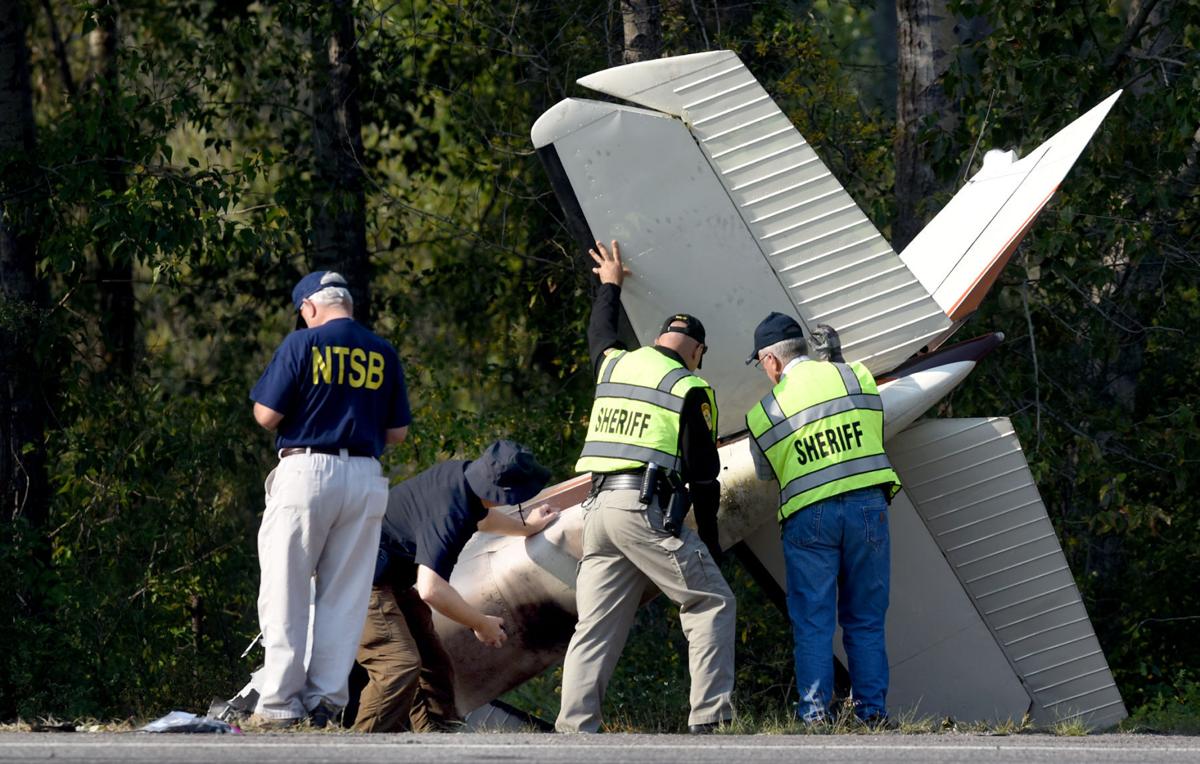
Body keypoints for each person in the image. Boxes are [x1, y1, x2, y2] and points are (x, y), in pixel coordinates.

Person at [556, 240, 735, 734]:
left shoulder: (615, 364)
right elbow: (703, 476)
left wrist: (609, 284)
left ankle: (573, 731)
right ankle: (711, 721)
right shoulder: (689, 388)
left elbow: (599, 332)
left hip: (597, 513)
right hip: (643, 509)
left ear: (659, 338)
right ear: (696, 350)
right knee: (711, 600)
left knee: (594, 628)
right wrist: (713, 545)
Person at [248, 270, 411, 728]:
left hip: (306, 470)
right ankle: (324, 703)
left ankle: (279, 704)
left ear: (309, 308)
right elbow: (397, 432)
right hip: (363, 476)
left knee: (287, 586)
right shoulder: (383, 351)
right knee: (345, 595)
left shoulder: (301, 345)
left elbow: (266, 415)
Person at [744, 312, 900, 726]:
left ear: (772, 361)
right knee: (865, 619)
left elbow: (764, 473)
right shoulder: (854, 376)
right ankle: (873, 715)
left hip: (810, 519)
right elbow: (872, 422)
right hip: (868, 508)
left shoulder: (764, 413)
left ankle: (815, 716)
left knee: (813, 622)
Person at [353, 440, 557, 732]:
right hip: (359, 580)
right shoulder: (448, 513)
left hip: (388, 579)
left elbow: (482, 518)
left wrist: (526, 528)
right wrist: (480, 623)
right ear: (502, 494)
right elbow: (431, 589)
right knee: (398, 666)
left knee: (433, 665)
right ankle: (359, 751)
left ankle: (438, 741)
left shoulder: (461, 479)